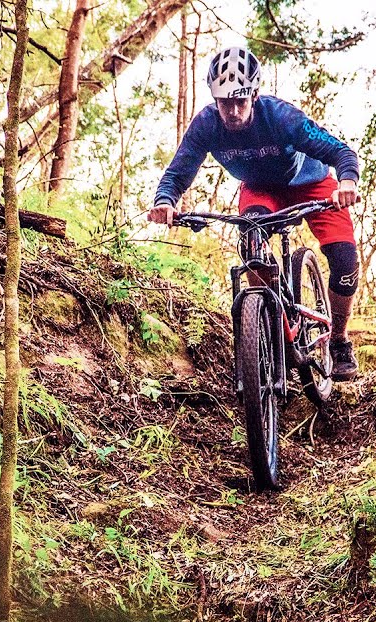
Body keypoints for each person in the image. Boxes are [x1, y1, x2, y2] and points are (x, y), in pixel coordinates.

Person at [148, 46, 361, 381]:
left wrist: (346, 181)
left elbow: (339, 151)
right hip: (261, 189)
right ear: (214, 98)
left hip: (311, 183)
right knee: (252, 244)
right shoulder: (206, 125)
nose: (233, 111)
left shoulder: (281, 117)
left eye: (241, 101)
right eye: (225, 102)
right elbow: (178, 172)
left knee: (345, 260)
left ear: (254, 95)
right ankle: (266, 325)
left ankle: (338, 341)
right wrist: (165, 201)